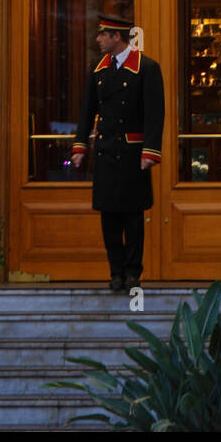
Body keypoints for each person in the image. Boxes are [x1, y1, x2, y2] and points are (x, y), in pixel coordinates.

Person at [71, 15, 164, 293]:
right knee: (109, 216)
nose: (97, 40)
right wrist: (79, 147)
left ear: (117, 37)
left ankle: (133, 272)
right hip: (106, 152)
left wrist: (151, 151)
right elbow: (87, 111)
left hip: (133, 153)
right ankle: (115, 272)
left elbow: (155, 114)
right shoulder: (97, 70)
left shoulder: (146, 68)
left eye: (102, 35)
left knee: (133, 216)